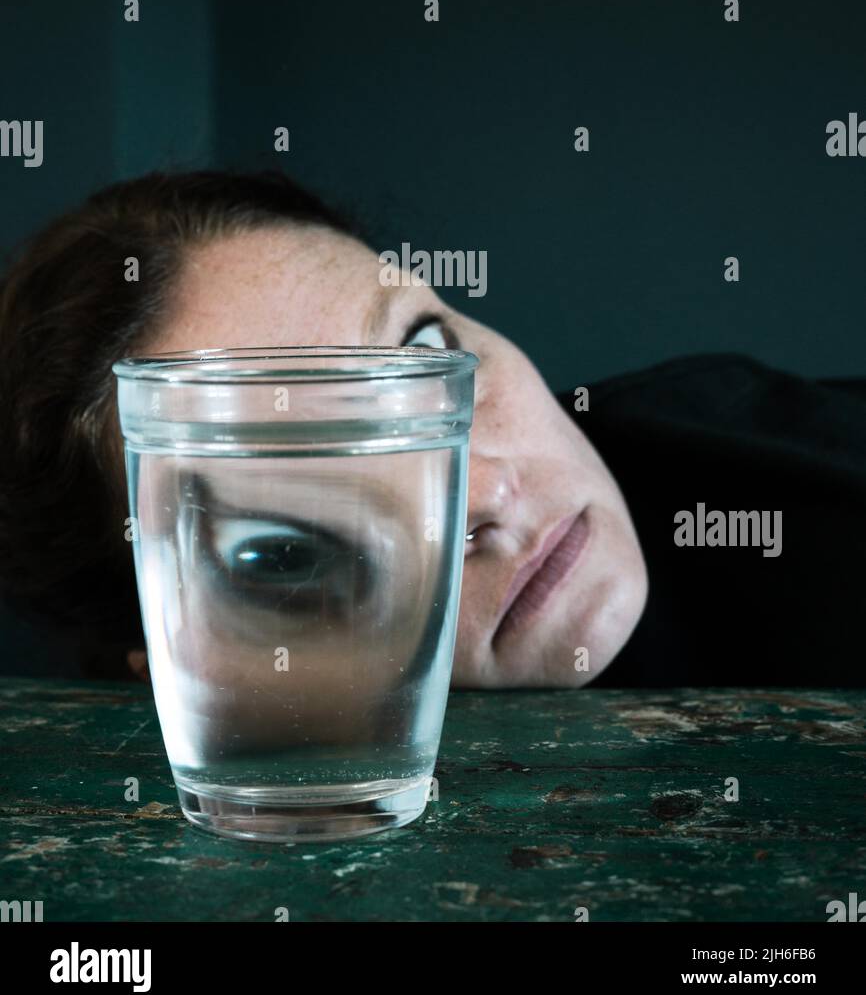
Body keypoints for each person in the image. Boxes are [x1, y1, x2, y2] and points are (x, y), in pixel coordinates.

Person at [0, 170, 863, 690]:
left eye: (425, 347)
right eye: (291, 547)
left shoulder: (777, 452)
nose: (481, 496)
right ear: (190, 662)